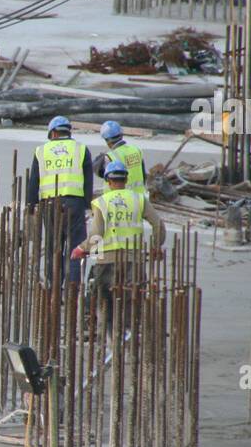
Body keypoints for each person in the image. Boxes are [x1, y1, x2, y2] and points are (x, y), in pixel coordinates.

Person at [71, 161, 165, 332]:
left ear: (108, 180)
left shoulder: (101, 202)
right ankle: (128, 336)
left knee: (105, 303)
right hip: (133, 260)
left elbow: (96, 234)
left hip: (106, 261)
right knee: (131, 303)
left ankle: (107, 339)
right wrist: (155, 245)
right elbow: (158, 224)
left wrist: (81, 248)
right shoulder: (139, 200)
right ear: (126, 179)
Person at [27, 115, 93, 284]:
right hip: (74, 205)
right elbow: (88, 182)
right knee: (75, 248)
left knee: (53, 249)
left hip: (49, 205)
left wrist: (31, 206)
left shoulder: (41, 151)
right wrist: (87, 206)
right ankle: (72, 289)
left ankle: (53, 287)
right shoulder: (81, 149)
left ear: (54, 134)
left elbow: (34, 181)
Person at [92, 120, 146, 193]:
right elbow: (144, 175)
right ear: (121, 135)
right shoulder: (136, 150)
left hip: (117, 200)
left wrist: (102, 156)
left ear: (107, 140)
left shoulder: (109, 157)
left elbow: (96, 169)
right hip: (139, 198)